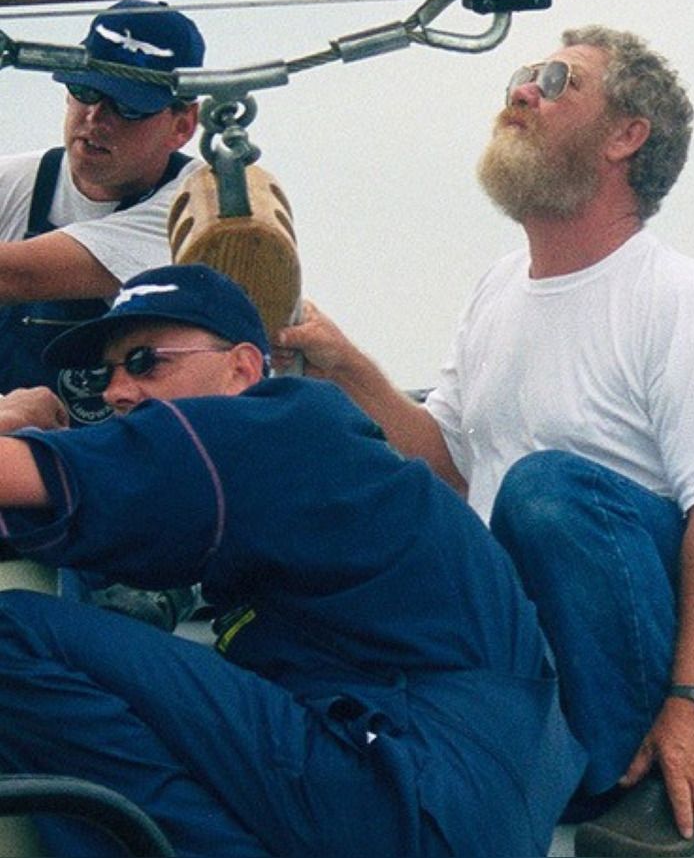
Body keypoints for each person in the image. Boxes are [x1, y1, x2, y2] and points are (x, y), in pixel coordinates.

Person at [278, 27, 694, 856]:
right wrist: (345, 365)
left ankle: (638, 771)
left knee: (546, 492)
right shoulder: (498, 290)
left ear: (624, 136)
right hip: (565, 618)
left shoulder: (682, 297)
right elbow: (454, 468)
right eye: (520, 76)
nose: (522, 91)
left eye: (554, 80)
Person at [0, 263, 583, 855]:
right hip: (463, 798)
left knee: (10, 633)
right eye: (107, 371)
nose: (115, 391)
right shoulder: (315, 451)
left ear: (244, 369)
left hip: (416, 784)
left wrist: (12, 419)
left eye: (147, 360)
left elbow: (14, 477)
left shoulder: (261, 429)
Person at [0, 0, 206, 422]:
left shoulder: (199, 205)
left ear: (183, 125)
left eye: (128, 106)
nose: (95, 118)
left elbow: (17, 274)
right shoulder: (13, 183)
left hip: (140, 473)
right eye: (85, 91)